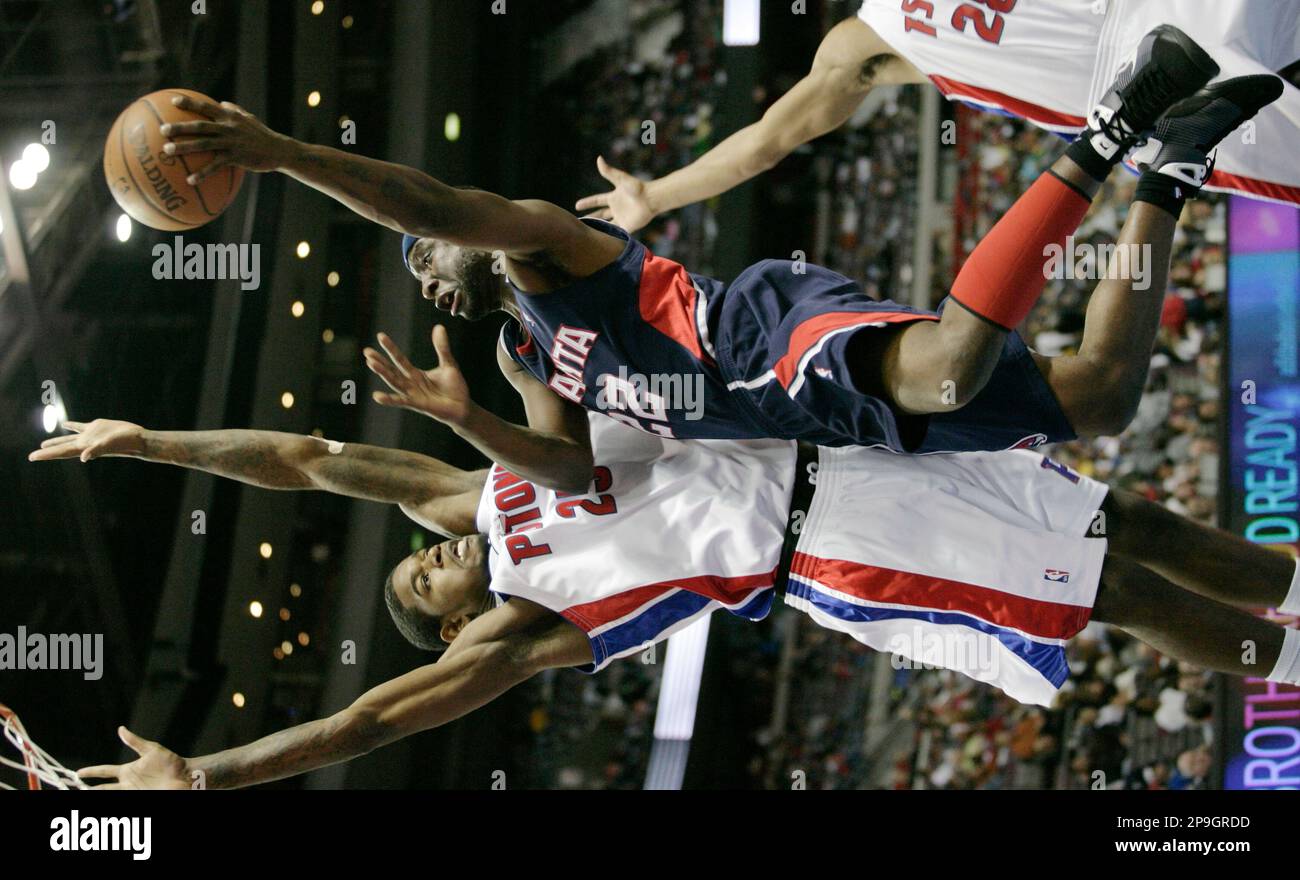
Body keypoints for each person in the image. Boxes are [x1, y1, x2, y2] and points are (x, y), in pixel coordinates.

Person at [159, 28, 1277, 493]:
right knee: (1104, 398)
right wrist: (469, 424)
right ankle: (1169, 173)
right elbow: (571, 476)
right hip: (796, 416)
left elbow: (433, 197)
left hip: (754, 333)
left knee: (945, 371)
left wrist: (277, 153)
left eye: (428, 247)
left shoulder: (546, 247)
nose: (425, 260)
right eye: (416, 267)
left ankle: (1111, 128)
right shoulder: (522, 356)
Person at [31, 395, 1300, 788]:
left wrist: (151, 446)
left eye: (412, 557)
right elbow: (367, 723)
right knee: (1110, 586)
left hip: (840, 457)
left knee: (1110, 513)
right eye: (422, 592)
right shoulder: (529, 623)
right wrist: (209, 777)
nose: (418, 564)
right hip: (828, 542)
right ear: (460, 625)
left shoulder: (478, 494)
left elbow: (307, 464)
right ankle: (1280, 661)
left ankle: (1290, 580)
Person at [576, 0, 1300, 227]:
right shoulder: (869, 37)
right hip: (1154, 68)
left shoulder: (863, 43)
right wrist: (658, 193)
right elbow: (772, 137)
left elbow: (773, 140)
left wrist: (659, 195)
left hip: (1153, 71)